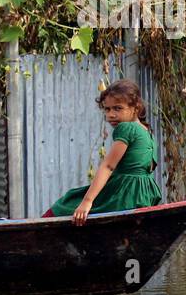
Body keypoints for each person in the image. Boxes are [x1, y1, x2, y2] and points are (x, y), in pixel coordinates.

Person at [45, 79, 161, 225]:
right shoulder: (147, 132)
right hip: (144, 195)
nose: (110, 114)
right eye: (107, 109)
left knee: (68, 202)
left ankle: (35, 232)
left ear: (136, 108)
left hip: (123, 194)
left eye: (117, 108)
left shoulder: (127, 128)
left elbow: (108, 166)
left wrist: (87, 202)